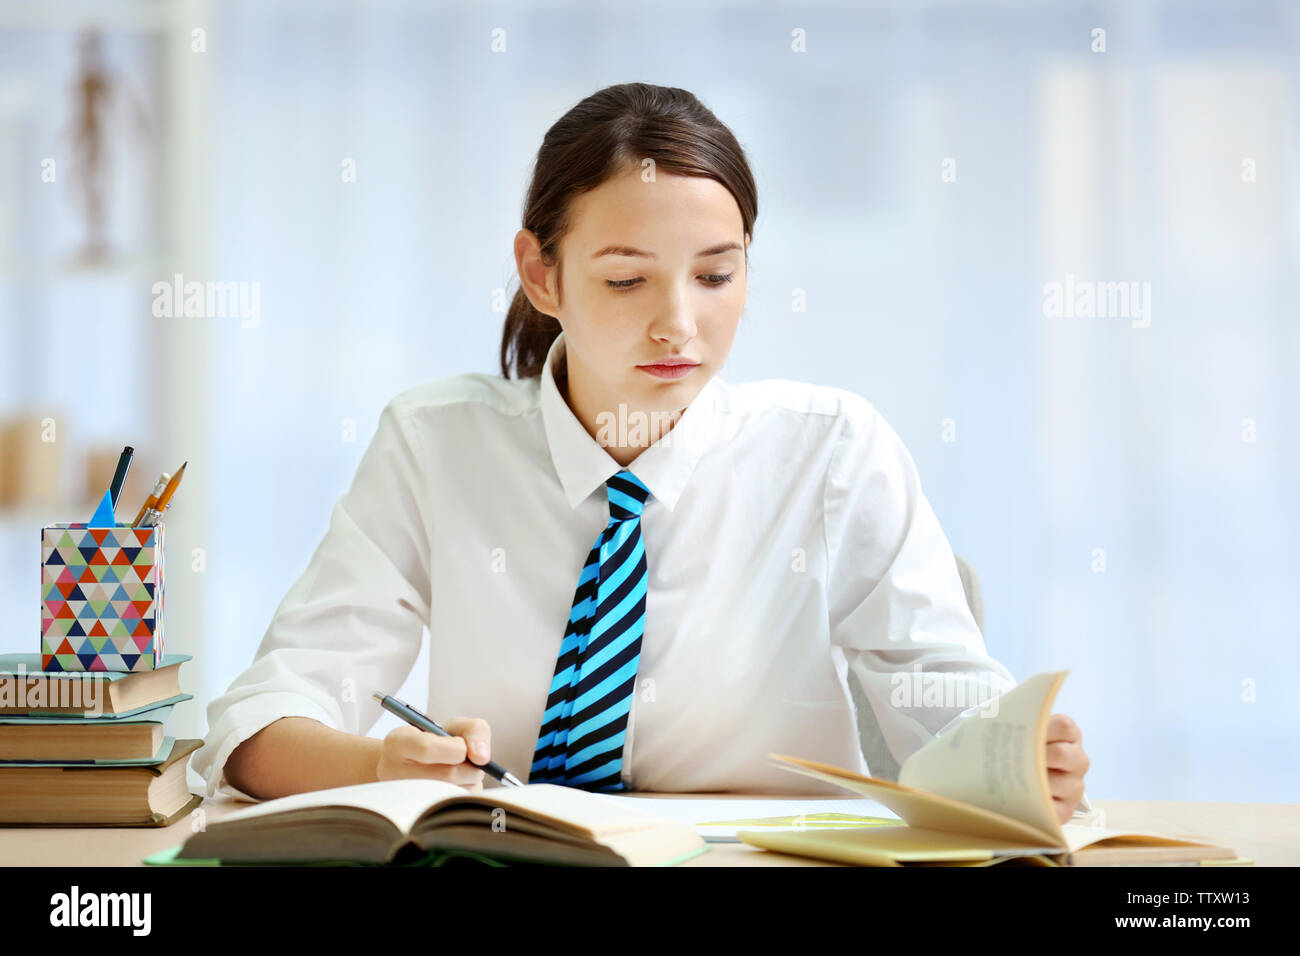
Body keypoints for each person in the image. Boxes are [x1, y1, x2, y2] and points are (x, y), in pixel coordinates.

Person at [192, 82, 1090, 823]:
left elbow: (950, 709)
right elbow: (259, 722)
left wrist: (1018, 757)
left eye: (715, 274)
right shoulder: (435, 444)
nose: (678, 324)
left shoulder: (833, 452)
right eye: (626, 278)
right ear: (542, 275)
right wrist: (386, 763)